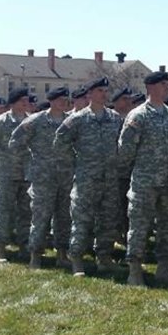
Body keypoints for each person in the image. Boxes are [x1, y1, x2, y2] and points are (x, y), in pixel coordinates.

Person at [118, 71, 168, 286]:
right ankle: (135, 271)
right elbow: (125, 150)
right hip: (145, 182)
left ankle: (163, 269)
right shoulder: (138, 116)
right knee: (139, 226)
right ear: (150, 88)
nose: (167, 88)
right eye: (163, 84)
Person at [55, 77, 124, 276]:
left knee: (108, 219)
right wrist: (75, 164)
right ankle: (76, 260)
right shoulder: (77, 119)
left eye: (105, 91)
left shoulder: (114, 118)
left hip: (109, 178)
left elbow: (121, 143)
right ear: (89, 94)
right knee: (81, 220)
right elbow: (60, 144)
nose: (104, 94)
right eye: (100, 91)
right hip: (86, 179)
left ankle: (104, 258)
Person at [10, 87, 74, 269]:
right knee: (40, 218)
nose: (64, 102)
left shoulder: (70, 121)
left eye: (66, 99)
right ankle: (35, 256)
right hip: (43, 178)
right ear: (52, 100)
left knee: (64, 218)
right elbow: (15, 143)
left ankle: (62, 254)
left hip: (65, 176)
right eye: (61, 99)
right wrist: (31, 160)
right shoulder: (35, 121)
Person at [0, 88, 34, 262]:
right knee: (3, 212)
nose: (25, 103)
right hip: (6, 174)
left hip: (26, 175)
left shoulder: (31, 121)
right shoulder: (1, 121)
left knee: (26, 213)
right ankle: (0, 249)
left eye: (27, 100)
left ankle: (24, 247)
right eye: (21, 100)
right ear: (13, 103)